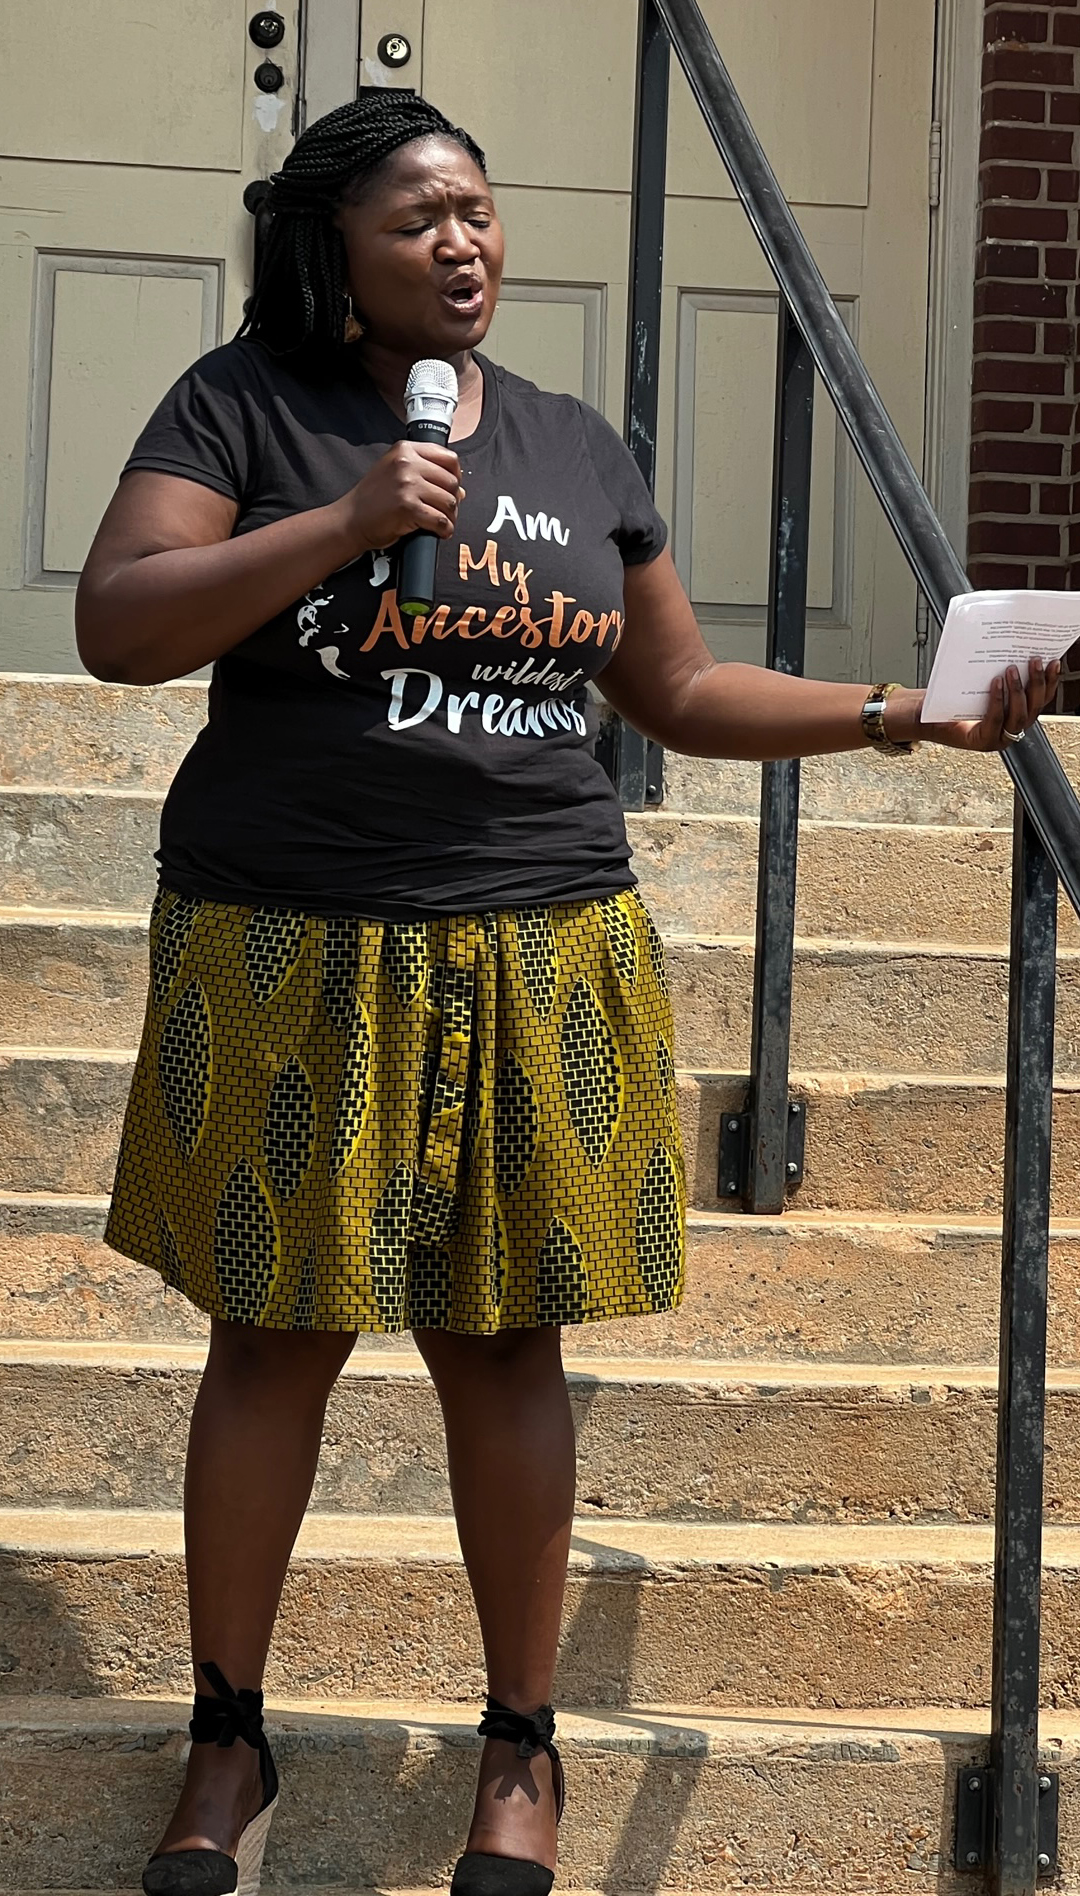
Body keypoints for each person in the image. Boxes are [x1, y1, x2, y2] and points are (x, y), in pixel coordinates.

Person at [74, 89, 1057, 1896]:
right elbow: (122, 627)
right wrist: (351, 515)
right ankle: (227, 1735)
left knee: (507, 1341)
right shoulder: (244, 404)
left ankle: (518, 1752)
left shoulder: (574, 443)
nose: (461, 244)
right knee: (271, 1337)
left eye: (478, 211)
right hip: (296, 936)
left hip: (535, 939)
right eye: (415, 219)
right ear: (332, 251)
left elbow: (675, 696)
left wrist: (905, 713)